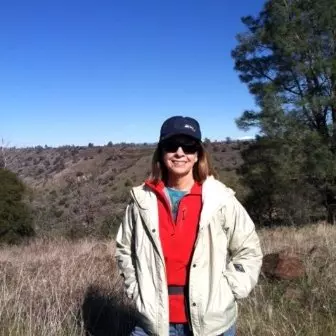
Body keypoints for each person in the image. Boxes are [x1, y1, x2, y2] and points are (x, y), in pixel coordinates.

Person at [115, 116, 263, 336]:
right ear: (161, 152)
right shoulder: (142, 200)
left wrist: (230, 290)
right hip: (154, 321)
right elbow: (124, 249)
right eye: (172, 145)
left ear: (198, 155)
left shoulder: (219, 200)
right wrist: (136, 291)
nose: (180, 152)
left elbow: (249, 250)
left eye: (189, 146)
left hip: (212, 323)